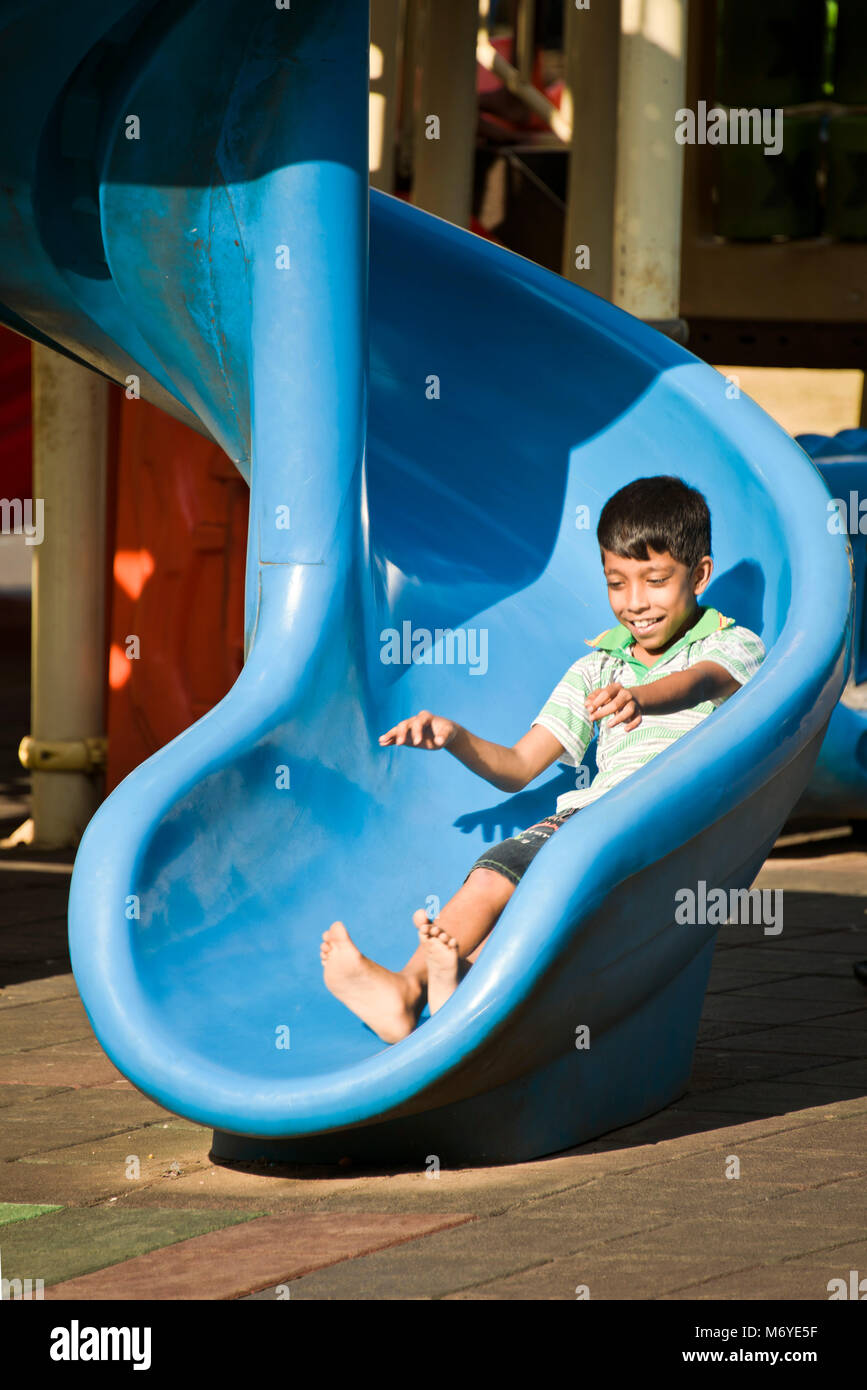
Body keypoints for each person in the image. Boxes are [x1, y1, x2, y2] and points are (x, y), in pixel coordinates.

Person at [321, 475, 766, 1043]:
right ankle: (412, 990)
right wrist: (454, 736)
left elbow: (703, 683)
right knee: (494, 874)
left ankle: (451, 983)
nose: (635, 602)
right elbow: (518, 766)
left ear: (699, 575)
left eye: (655, 581)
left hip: (667, 819)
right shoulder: (596, 668)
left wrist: (641, 696)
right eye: (616, 583)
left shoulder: (729, 643)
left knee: (548, 898)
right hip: (588, 819)